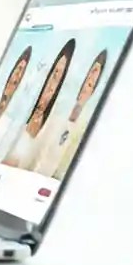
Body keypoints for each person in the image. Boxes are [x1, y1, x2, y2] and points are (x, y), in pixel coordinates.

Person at [32, 50, 108, 180]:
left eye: (90, 84)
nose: (85, 86)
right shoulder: (58, 112)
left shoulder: (84, 126)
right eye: (86, 80)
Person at [0, 39, 76, 169]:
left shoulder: (51, 129)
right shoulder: (18, 114)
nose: (52, 86)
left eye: (59, 80)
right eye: (54, 74)